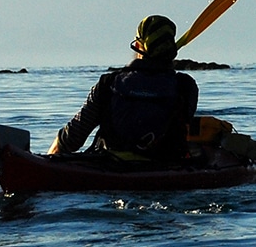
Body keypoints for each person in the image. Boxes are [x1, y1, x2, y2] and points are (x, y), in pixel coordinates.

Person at [48, 15, 200, 160]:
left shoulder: (109, 83)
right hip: (164, 167)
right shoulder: (186, 85)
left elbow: (73, 137)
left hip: (112, 165)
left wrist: (49, 160)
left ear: (139, 46)